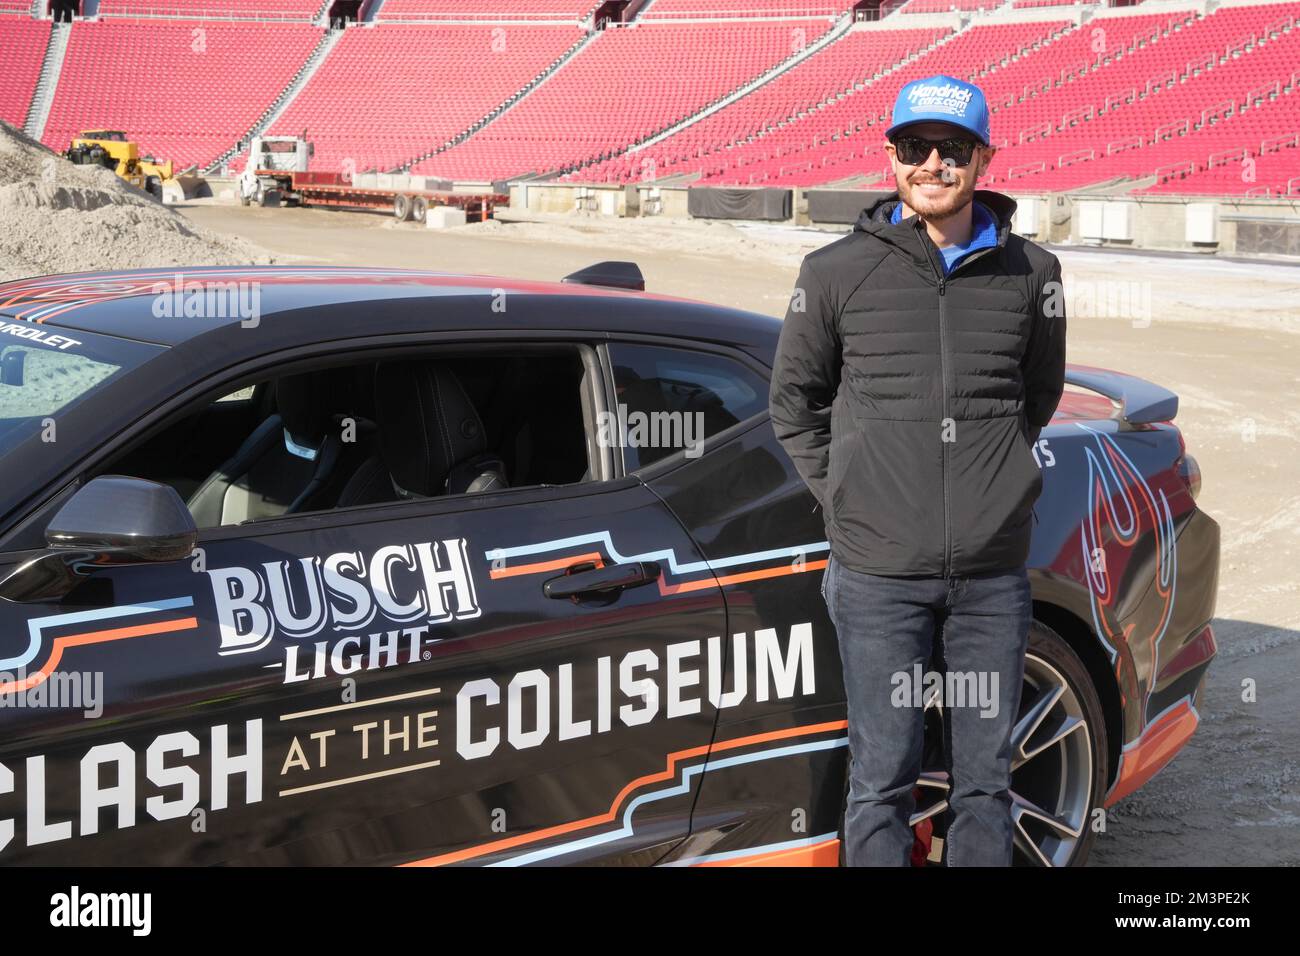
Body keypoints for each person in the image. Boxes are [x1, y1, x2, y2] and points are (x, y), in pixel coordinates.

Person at [768, 74, 1067, 866]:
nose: (933, 164)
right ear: (890, 157)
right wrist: (850, 499)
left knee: (985, 784)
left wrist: (992, 492)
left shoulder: (1034, 273)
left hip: (990, 576)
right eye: (914, 147)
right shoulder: (832, 272)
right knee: (880, 778)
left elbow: (1036, 397)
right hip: (876, 576)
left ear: (984, 158)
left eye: (953, 149)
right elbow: (794, 404)